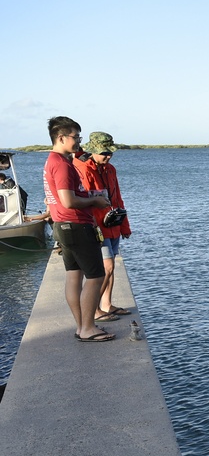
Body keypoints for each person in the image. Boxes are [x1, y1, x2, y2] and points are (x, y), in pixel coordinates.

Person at [43, 116, 114, 342]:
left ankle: (81, 327)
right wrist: (95, 201)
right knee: (95, 276)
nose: (78, 141)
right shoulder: (63, 164)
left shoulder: (51, 161)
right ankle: (88, 328)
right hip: (76, 224)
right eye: (76, 137)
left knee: (74, 276)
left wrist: (89, 196)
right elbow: (68, 200)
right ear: (61, 137)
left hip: (62, 226)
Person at [78, 132, 132, 320]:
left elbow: (117, 198)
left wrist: (125, 226)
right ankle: (93, 310)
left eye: (110, 153)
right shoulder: (84, 169)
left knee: (111, 267)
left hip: (113, 224)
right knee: (106, 267)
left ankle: (106, 304)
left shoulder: (111, 169)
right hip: (97, 227)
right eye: (104, 153)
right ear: (92, 150)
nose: (108, 156)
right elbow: (83, 200)